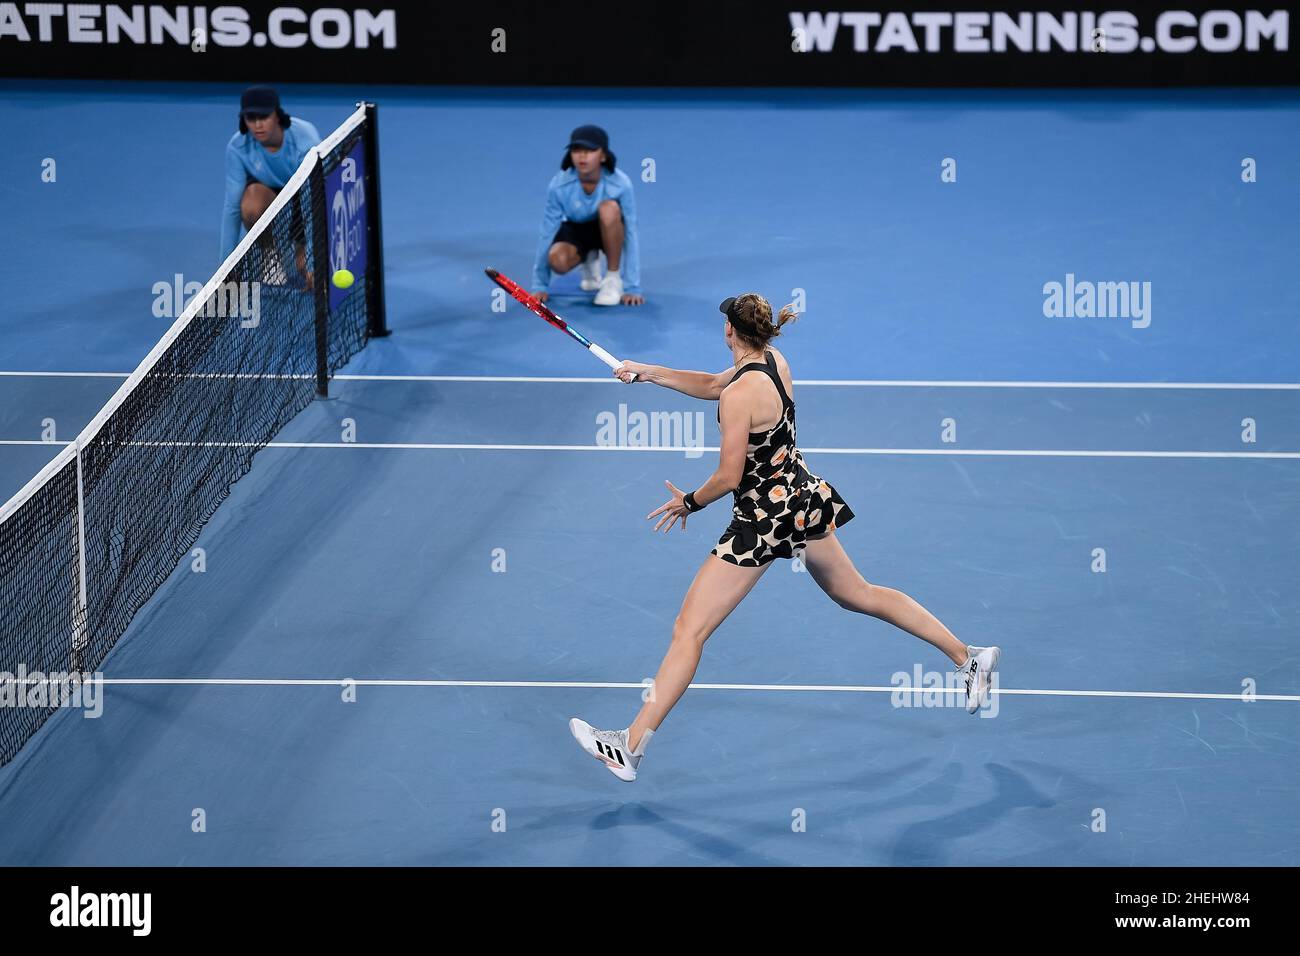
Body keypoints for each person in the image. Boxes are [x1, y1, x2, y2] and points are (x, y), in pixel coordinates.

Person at [569, 294, 1001, 781]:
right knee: (859, 594)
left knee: (689, 631)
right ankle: (968, 657)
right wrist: (647, 371)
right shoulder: (773, 362)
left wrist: (689, 501)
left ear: (729, 332)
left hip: (760, 523)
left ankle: (630, 745)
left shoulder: (738, 398)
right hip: (800, 501)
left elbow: (730, 476)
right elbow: (712, 382)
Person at [532, 125, 643, 307]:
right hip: (578, 231)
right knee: (557, 261)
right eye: (576, 150)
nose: (582, 156)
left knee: (609, 209)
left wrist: (632, 287)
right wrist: (539, 285)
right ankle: (589, 257)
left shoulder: (621, 184)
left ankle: (612, 279)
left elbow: (631, 232)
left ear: (603, 156)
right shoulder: (558, 185)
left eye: (590, 150)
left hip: (610, 230)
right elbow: (547, 231)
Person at [219, 86, 320, 265]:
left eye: (264, 116)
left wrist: (311, 256)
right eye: (251, 118)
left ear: (277, 115)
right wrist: (225, 267)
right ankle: (271, 254)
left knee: (306, 268)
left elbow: (311, 203)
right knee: (251, 206)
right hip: (269, 193)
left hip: (306, 196)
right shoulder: (237, 147)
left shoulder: (304, 141)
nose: (258, 125)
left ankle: (300, 248)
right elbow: (232, 208)